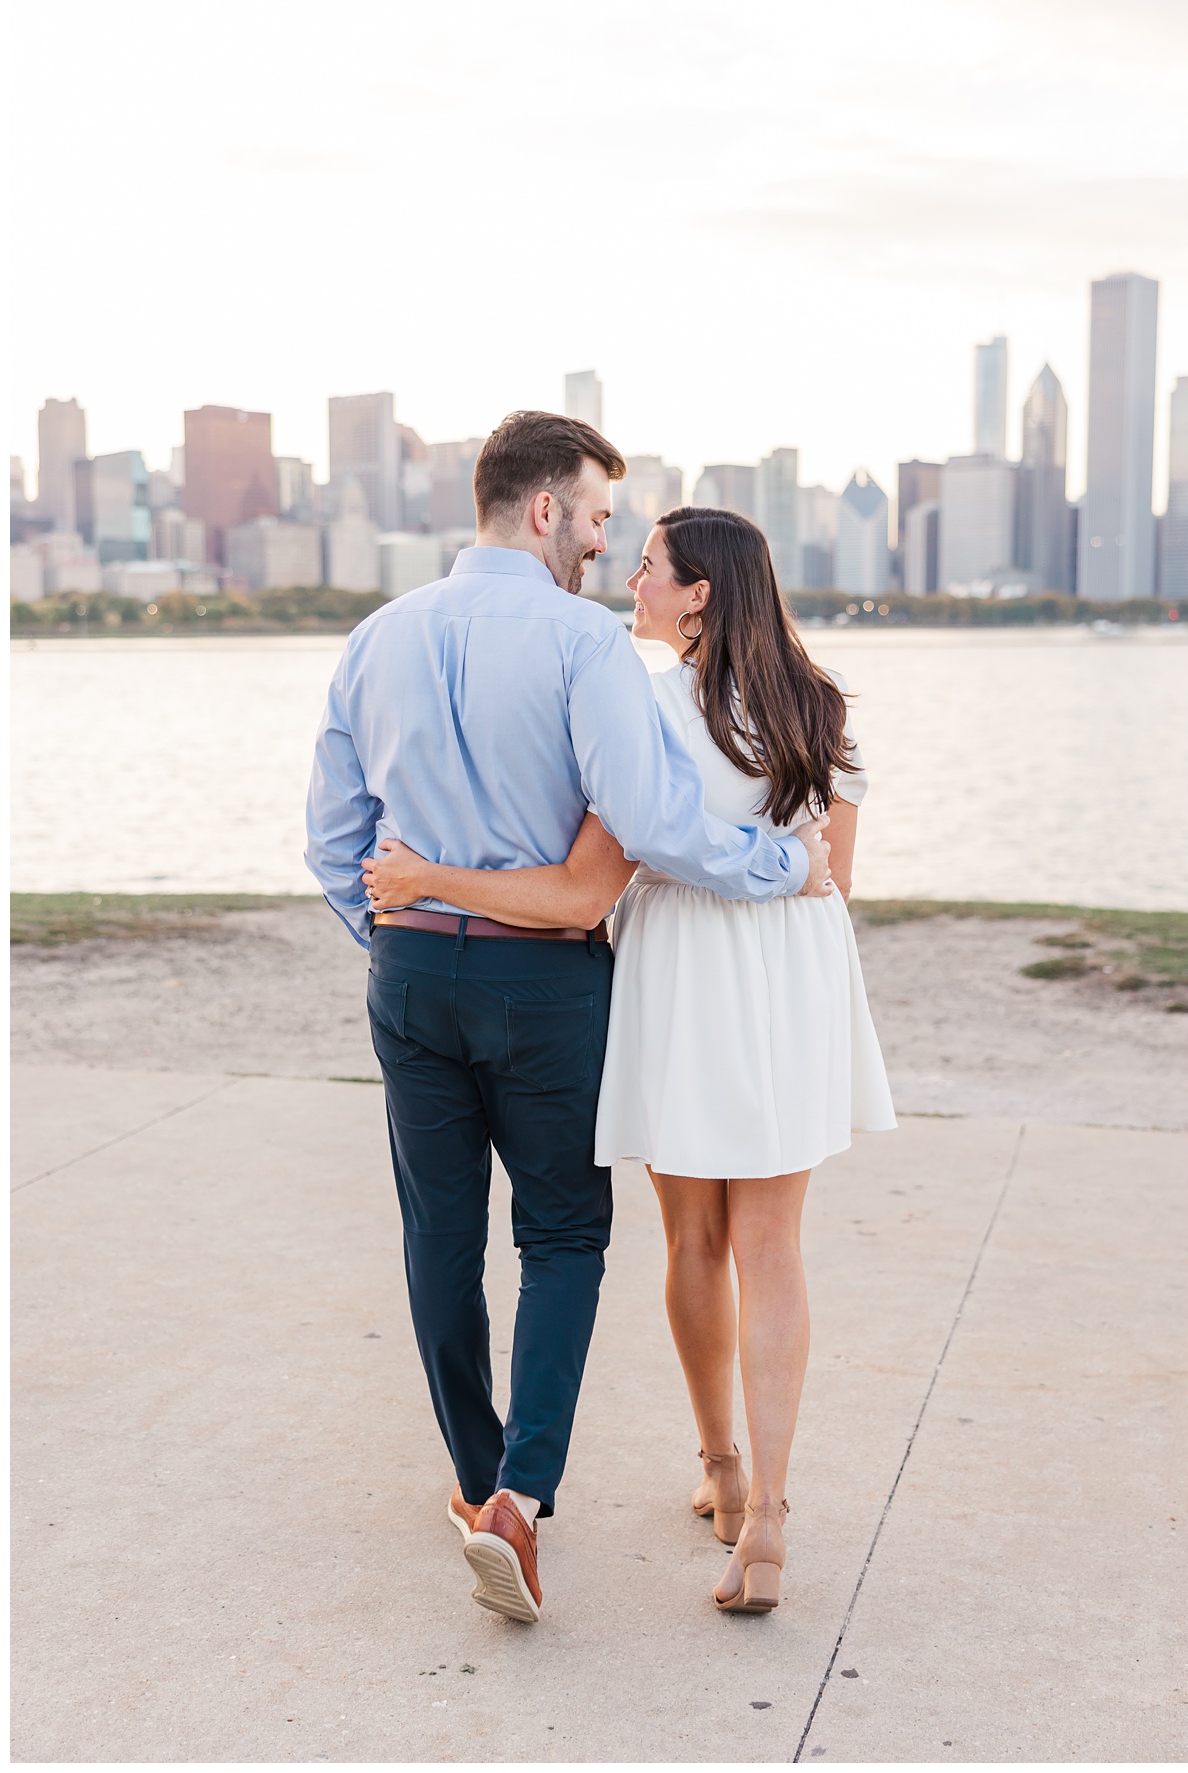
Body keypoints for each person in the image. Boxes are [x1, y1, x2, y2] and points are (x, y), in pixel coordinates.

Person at [306, 419, 830, 1627]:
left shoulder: (373, 639)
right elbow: (656, 821)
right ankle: (522, 1498)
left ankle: (477, 1473)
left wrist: (395, 942)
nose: (603, 544)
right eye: (597, 518)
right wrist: (775, 865)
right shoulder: (581, 645)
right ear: (544, 511)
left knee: (438, 1234)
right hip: (543, 980)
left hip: (410, 967)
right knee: (560, 1240)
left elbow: (334, 842)